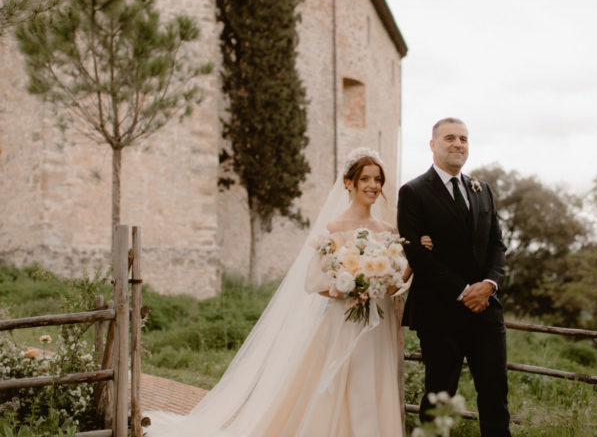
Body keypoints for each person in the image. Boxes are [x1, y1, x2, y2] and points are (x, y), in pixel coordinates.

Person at [146, 148, 413, 437]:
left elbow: (397, 278)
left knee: (375, 383)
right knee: (348, 384)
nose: (373, 186)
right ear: (349, 183)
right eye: (365, 179)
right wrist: (353, 287)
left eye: (378, 180)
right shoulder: (334, 229)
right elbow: (315, 282)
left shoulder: (388, 231)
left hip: (379, 325)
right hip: (345, 323)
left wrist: (396, 273)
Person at [397, 117, 512, 436]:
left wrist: (488, 285)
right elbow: (416, 254)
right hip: (440, 312)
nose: (458, 144)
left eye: (463, 138)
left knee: (495, 397)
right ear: (433, 145)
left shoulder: (482, 189)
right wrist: (463, 291)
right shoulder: (413, 192)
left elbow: (497, 244)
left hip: (486, 310)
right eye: (449, 138)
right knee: (438, 397)